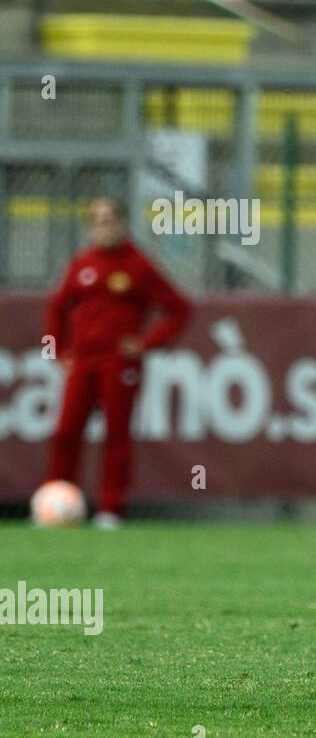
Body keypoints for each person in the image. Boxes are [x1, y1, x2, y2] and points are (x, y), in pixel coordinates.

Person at [43, 197, 193, 529]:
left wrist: (145, 344)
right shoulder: (83, 263)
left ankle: (111, 509)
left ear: (123, 224)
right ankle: (56, 503)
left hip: (119, 362)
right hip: (83, 360)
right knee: (66, 431)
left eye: (109, 220)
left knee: (116, 433)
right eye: (96, 221)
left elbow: (179, 308)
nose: (103, 227)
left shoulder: (137, 265)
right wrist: (55, 351)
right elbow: (57, 308)